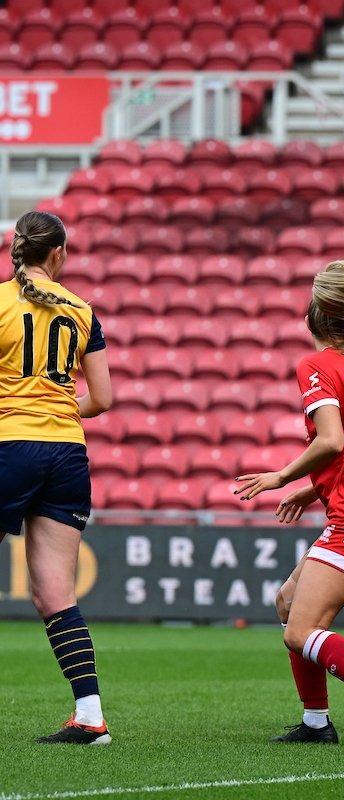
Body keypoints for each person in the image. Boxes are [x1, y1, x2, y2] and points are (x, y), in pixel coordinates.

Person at [235, 259, 344, 750]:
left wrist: (280, 475)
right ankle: (316, 723)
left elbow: (333, 440)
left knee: (300, 632)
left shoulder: (315, 365)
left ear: (313, 319)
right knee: (288, 603)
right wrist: (312, 489)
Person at [0, 211, 113, 744]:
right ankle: (89, 715)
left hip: (10, 445)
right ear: (59, 255)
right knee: (56, 596)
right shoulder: (84, 310)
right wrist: (60, 410)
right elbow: (104, 399)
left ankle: (90, 717)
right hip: (67, 452)